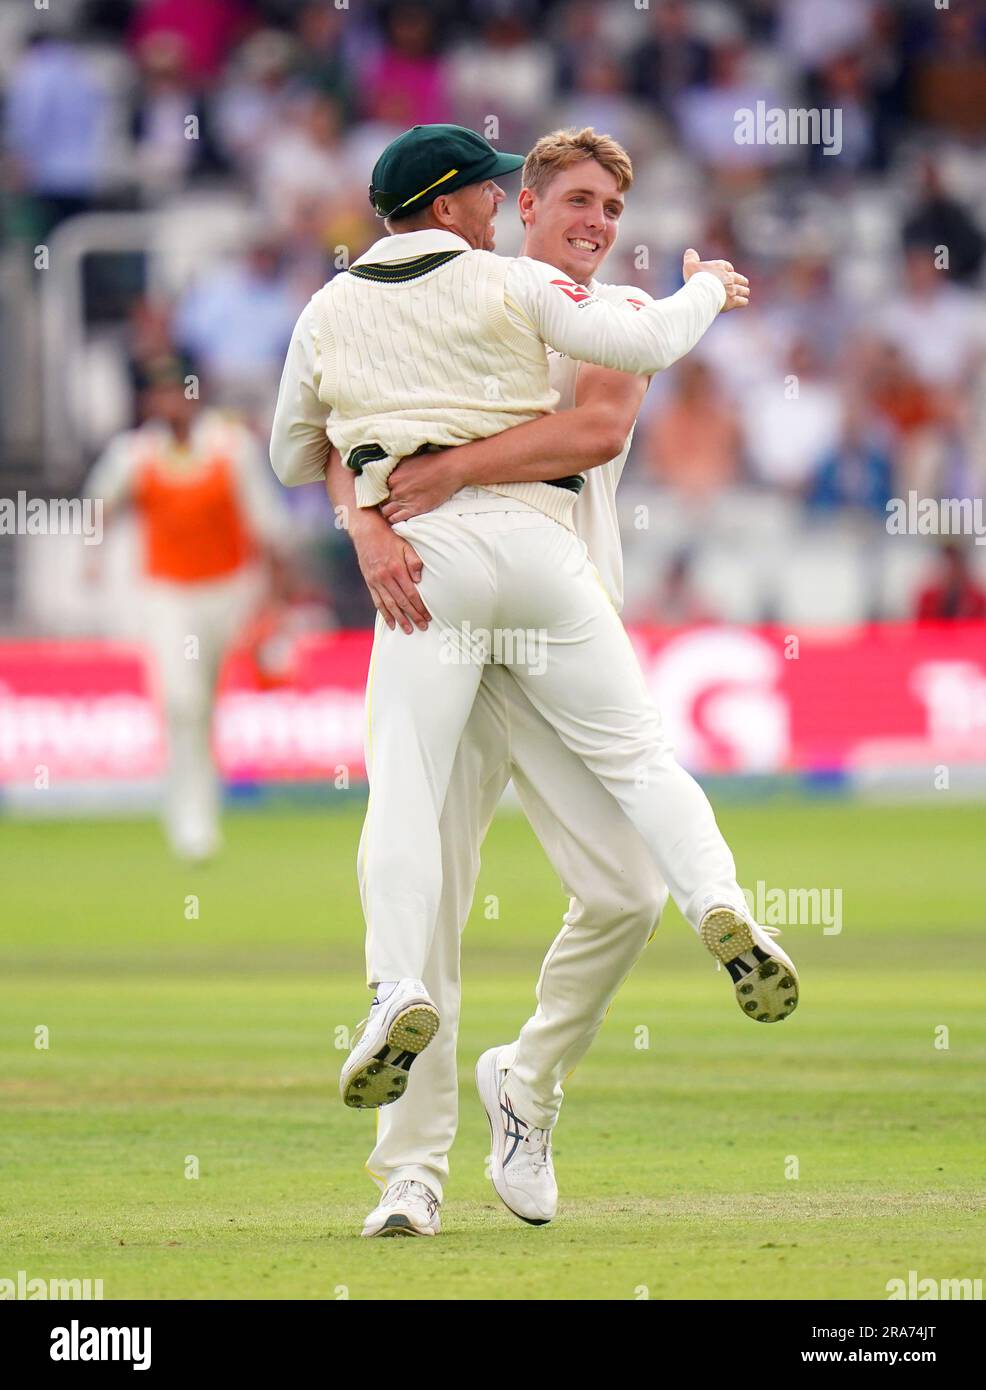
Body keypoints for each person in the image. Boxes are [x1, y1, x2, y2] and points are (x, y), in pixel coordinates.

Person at [269, 122, 796, 1223]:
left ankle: (528, 1080)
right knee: (439, 895)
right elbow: (331, 437)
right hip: (456, 592)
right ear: (518, 207)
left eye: (611, 210)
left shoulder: (587, 312)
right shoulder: (490, 291)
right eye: (576, 205)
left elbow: (593, 431)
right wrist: (366, 529)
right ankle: (410, 1174)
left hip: (550, 611)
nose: (596, 226)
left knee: (623, 890)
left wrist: (432, 473)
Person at [86, 363, 290, 860]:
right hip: (168, 597)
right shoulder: (135, 454)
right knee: (181, 702)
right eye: (159, 396)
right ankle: (191, 823)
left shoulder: (229, 448)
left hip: (228, 592)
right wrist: (92, 555)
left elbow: (267, 526)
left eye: (176, 393)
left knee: (207, 702)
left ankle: (203, 804)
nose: (169, 405)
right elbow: (98, 505)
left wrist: (277, 601)